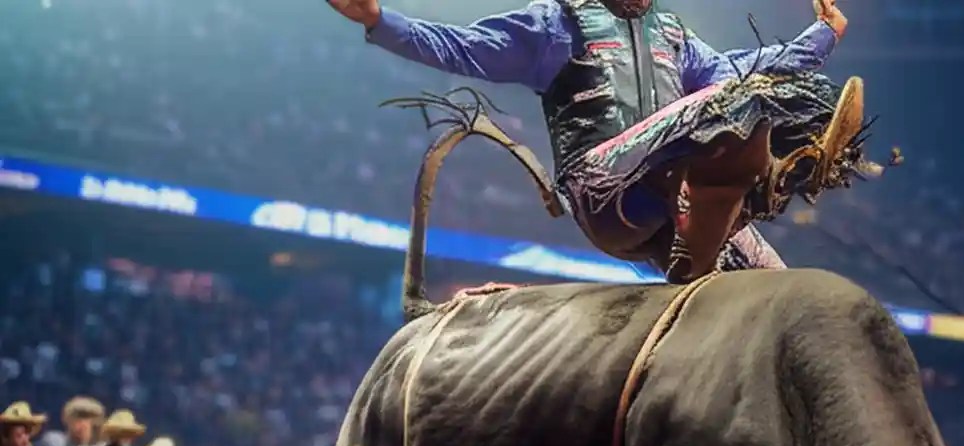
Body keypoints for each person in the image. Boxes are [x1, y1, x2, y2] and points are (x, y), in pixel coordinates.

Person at [329, 0, 883, 282]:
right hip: (602, 184)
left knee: (781, 294)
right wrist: (380, 19)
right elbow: (462, 46)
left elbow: (750, 66)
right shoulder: (557, 24)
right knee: (729, 102)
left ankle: (764, 187)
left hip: (671, 204)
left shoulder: (674, 37)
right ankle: (771, 181)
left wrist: (824, 34)